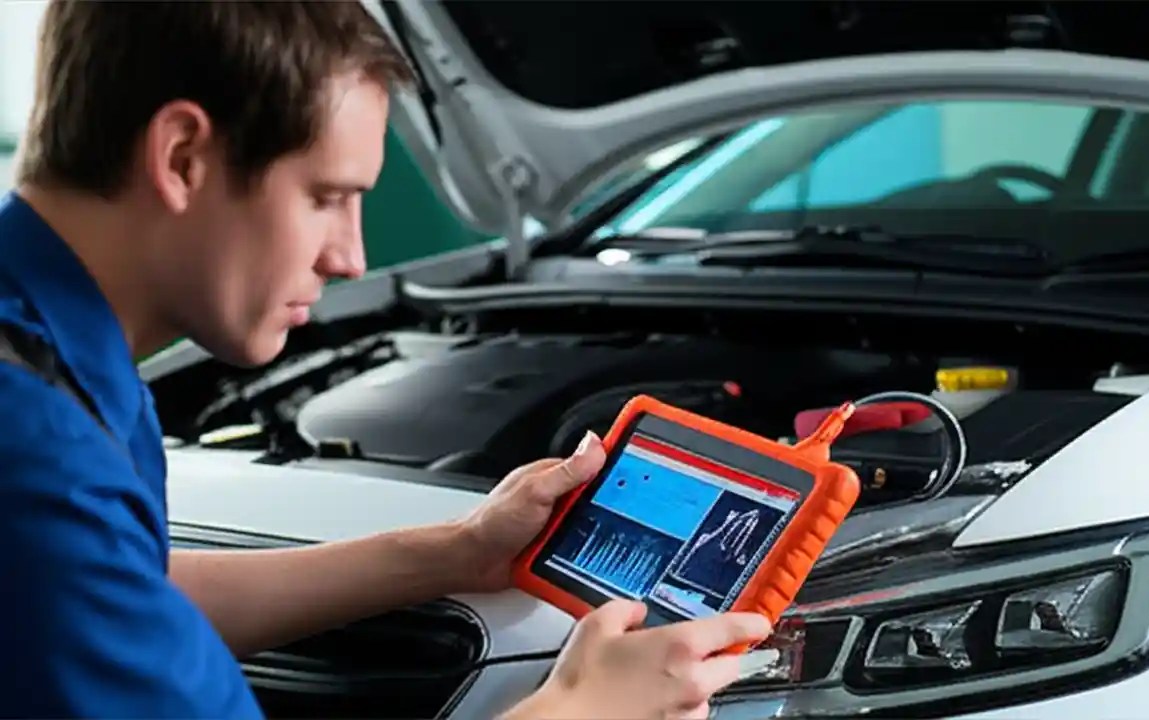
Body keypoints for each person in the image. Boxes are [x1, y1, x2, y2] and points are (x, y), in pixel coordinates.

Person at [0, 2, 773, 718]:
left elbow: (138, 604)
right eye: (326, 196)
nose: (351, 256)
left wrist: (456, 550)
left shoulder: (50, 366)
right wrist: (576, 708)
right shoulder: (36, 457)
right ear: (183, 157)